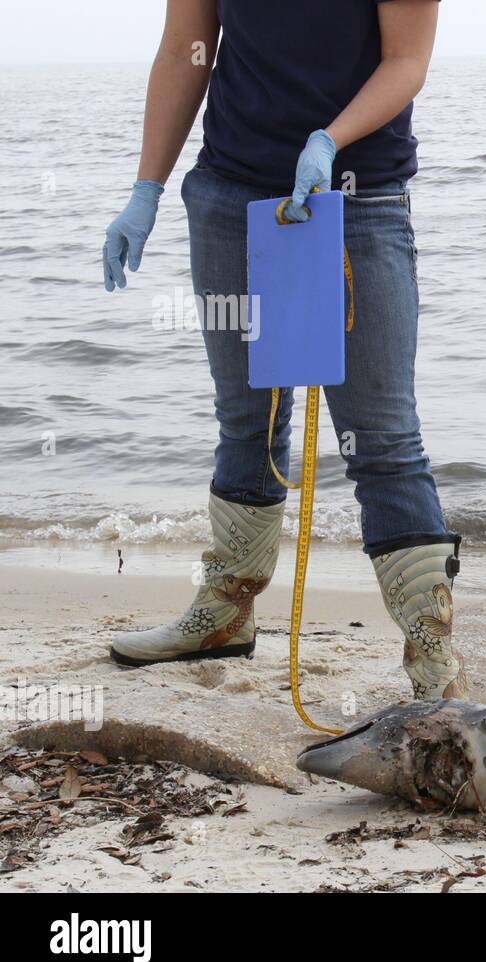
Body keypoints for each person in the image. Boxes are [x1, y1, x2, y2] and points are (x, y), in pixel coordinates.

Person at [100, 0, 467, 700]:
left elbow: (405, 62)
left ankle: (433, 659)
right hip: (230, 195)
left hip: (360, 200)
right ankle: (224, 611)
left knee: (383, 438)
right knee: (248, 419)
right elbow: (188, 49)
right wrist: (146, 188)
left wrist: (330, 138)